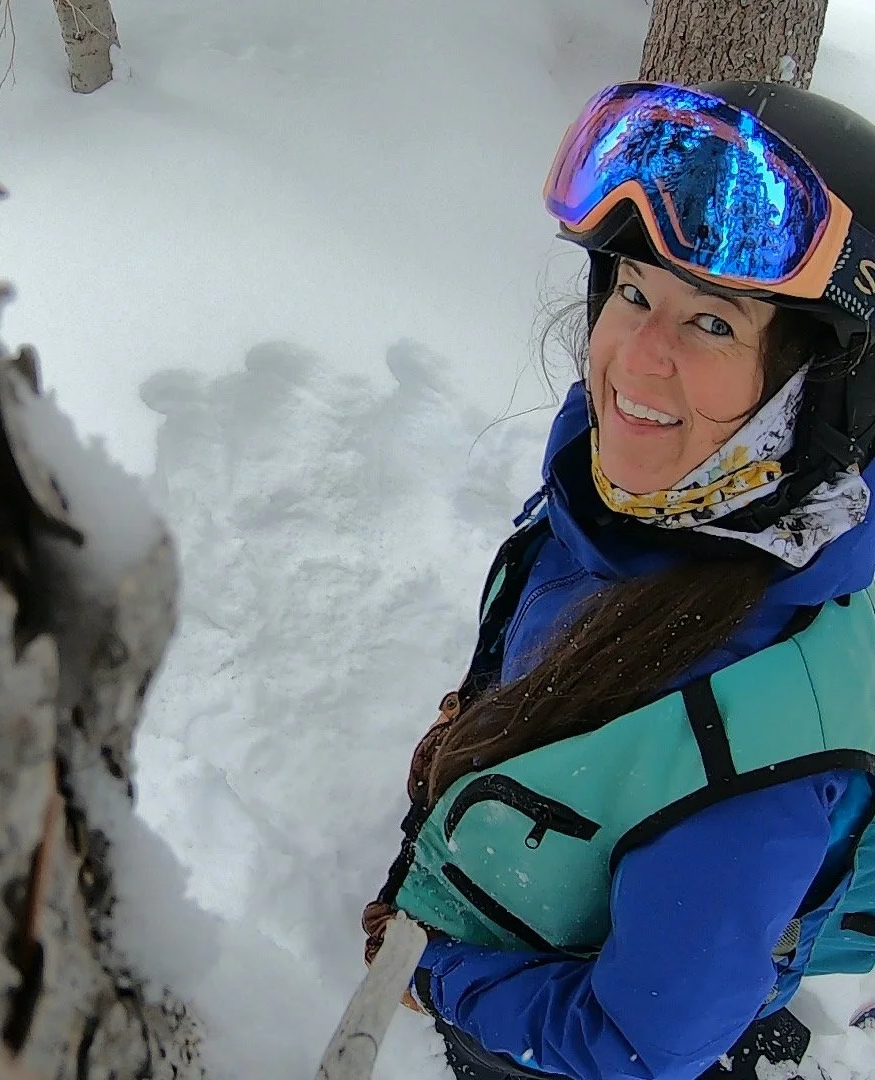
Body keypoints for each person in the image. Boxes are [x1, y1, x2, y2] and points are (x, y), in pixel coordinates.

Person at [362, 80, 875, 1080]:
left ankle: (722, 992)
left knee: (674, 1002)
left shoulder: (752, 760)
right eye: (635, 292)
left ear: (824, 387)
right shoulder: (643, 488)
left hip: (555, 1021)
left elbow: (635, 1048)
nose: (636, 361)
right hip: (645, 901)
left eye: (714, 324)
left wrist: (439, 976)